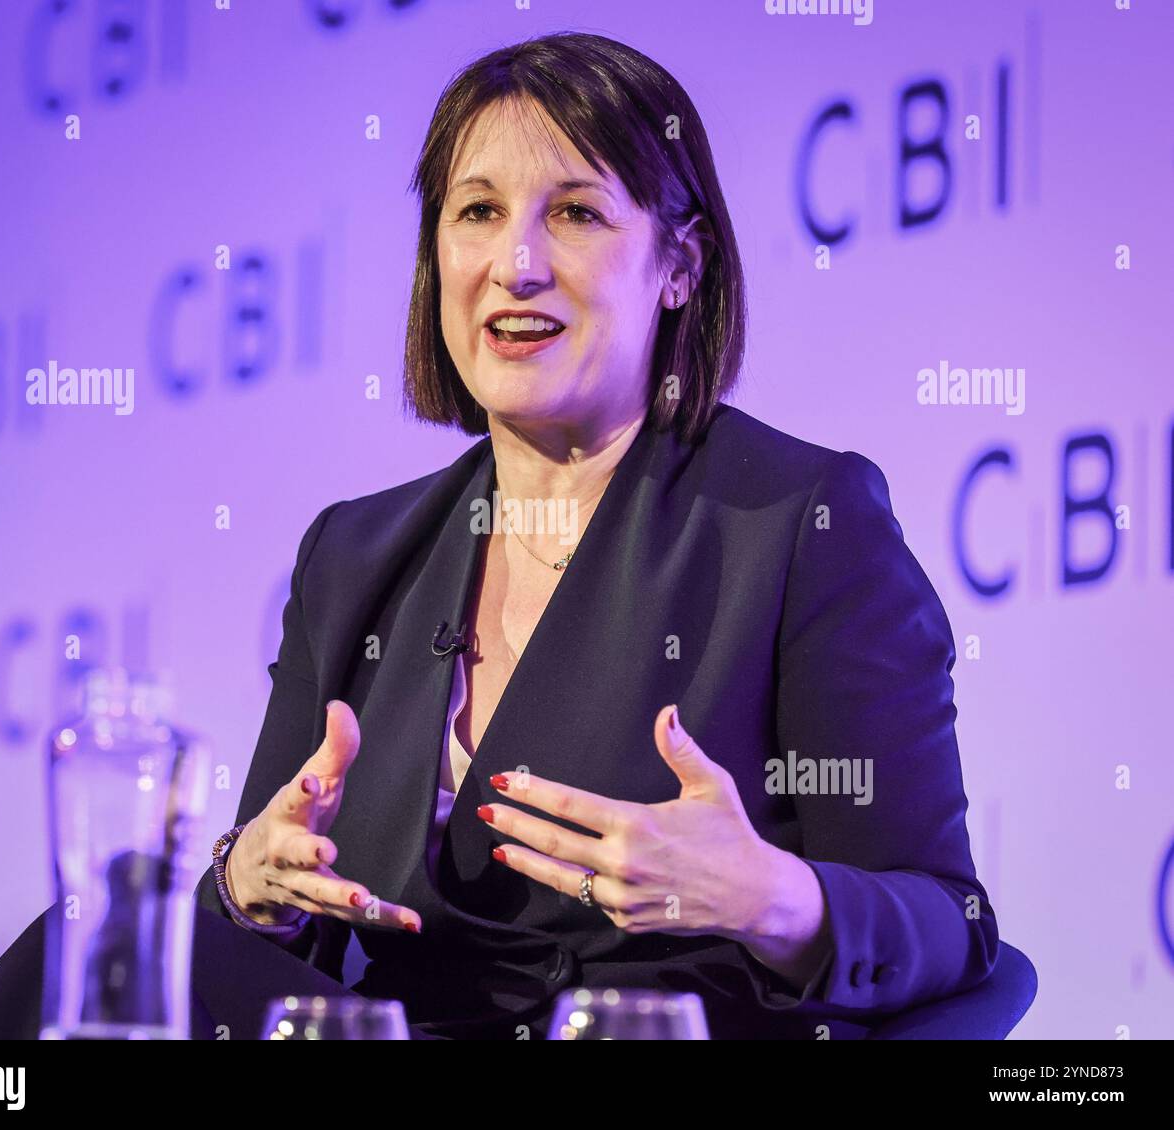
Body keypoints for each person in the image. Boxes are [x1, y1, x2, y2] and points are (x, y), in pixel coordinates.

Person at [196, 31, 999, 1041]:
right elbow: (260, 928)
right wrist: (244, 883)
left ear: (678, 265)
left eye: (574, 212)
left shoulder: (800, 524)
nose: (516, 263)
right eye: (477, 211)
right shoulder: (354, 559)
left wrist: (769, 895)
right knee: (75, 949)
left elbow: (950, 923)